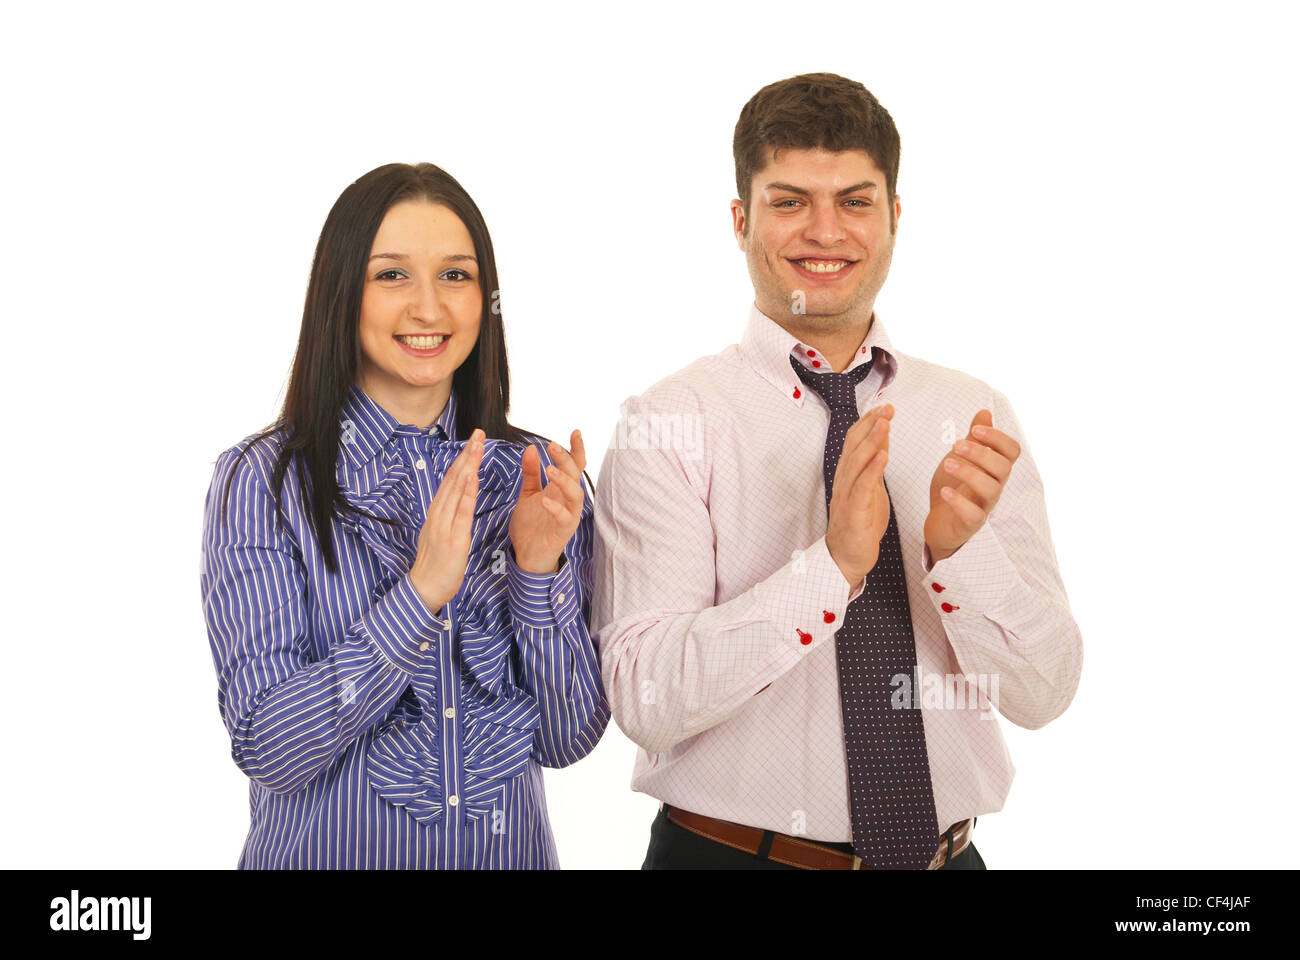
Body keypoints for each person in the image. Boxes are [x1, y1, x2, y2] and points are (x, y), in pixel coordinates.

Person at [592, 73, 1083, 870]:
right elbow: (648, 695)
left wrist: (961, 556)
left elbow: (1045, 692)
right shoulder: (667, 424)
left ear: (894, 216)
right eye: (790, 202)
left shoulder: (973, 416)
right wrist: (834, 569)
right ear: (740, 220)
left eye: (854, 202)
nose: (826, 232)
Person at [201, 162, 608, 869]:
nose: (429, 308)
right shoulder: (264, 482)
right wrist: (419, 596)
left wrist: (536, 572)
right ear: (340, 294)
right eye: (391, 275)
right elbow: (267, 743)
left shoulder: (538, 476)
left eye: (456, 276)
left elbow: (568, 737)